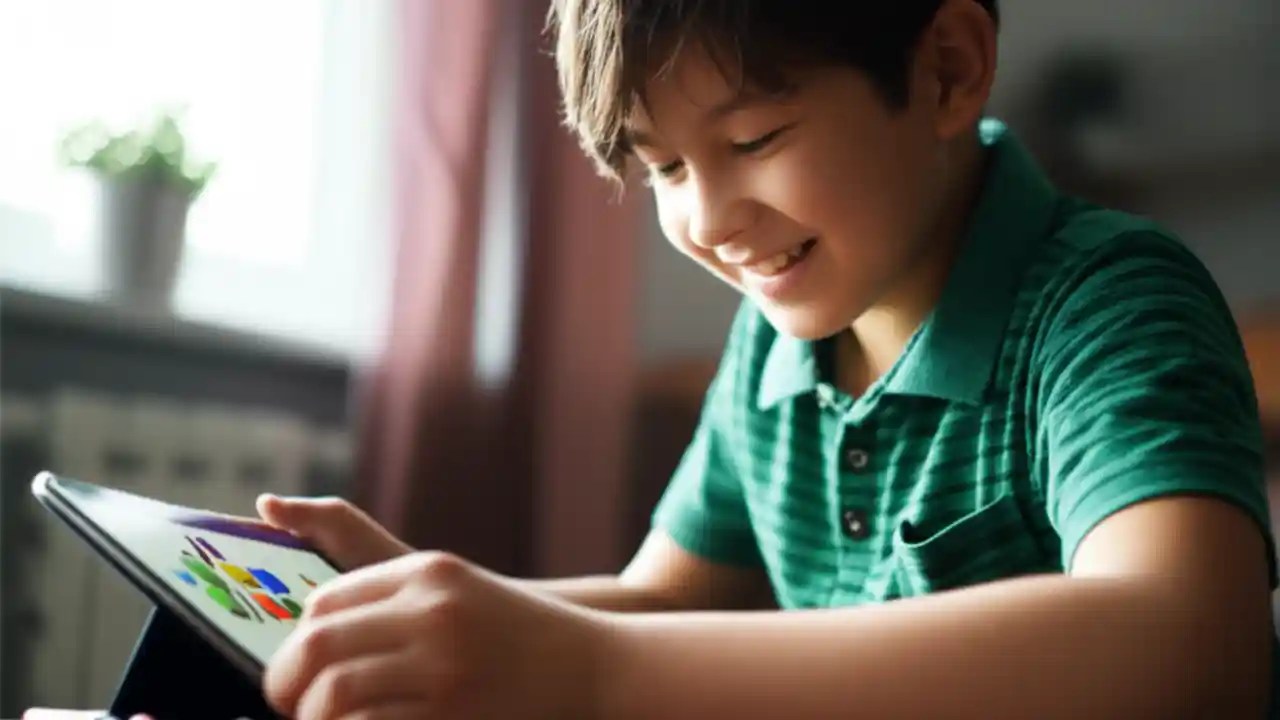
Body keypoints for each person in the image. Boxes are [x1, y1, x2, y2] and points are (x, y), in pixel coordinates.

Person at [254, 1, 1279, 717]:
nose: (706, 220)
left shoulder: (1105, 300)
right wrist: (435, 609)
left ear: (947, 70)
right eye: (663, 167)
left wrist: (591, 672)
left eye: (753, 140)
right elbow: (660, 606)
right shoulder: (775, 344)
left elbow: (1192, 643)